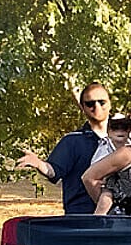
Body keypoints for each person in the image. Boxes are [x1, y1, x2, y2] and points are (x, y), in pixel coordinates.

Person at [15, 83, 114, 214]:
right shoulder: (72, 141)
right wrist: (39, 164)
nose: (97, 107)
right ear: (82, 107)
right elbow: (54, 171)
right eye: (90, 103)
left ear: (110, 103)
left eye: (102, 102)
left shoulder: (129, 139)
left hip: (119, 217)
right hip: (80, 217)